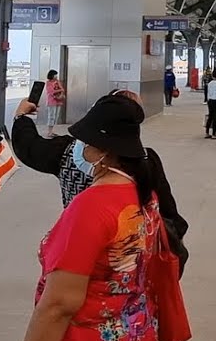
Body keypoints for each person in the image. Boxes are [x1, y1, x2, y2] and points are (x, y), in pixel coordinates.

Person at [10, 94, 164, 341]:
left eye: (86, 142)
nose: (80, 148)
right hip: (133, 338)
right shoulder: (145, 194)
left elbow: (58, 306)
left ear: (104, 151)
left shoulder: (92, 206)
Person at [10, 91, 189, 261]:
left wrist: (21, 117)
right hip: (131, 259)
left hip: (87, 249)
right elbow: (166, 208)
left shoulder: (64, 151)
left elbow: (30, 148)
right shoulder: (145, 162)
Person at [43, 70, 66, 138]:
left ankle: (52, 131)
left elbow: (62, 89)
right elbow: (51, 91)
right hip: (51, 101)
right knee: (51, 116)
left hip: (58, 101)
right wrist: (60, 90)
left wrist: (61, 94)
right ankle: (49, 132)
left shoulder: (57, 81)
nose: (56, 76)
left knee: (56, 116)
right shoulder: (48, 83)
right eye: (55, 75)